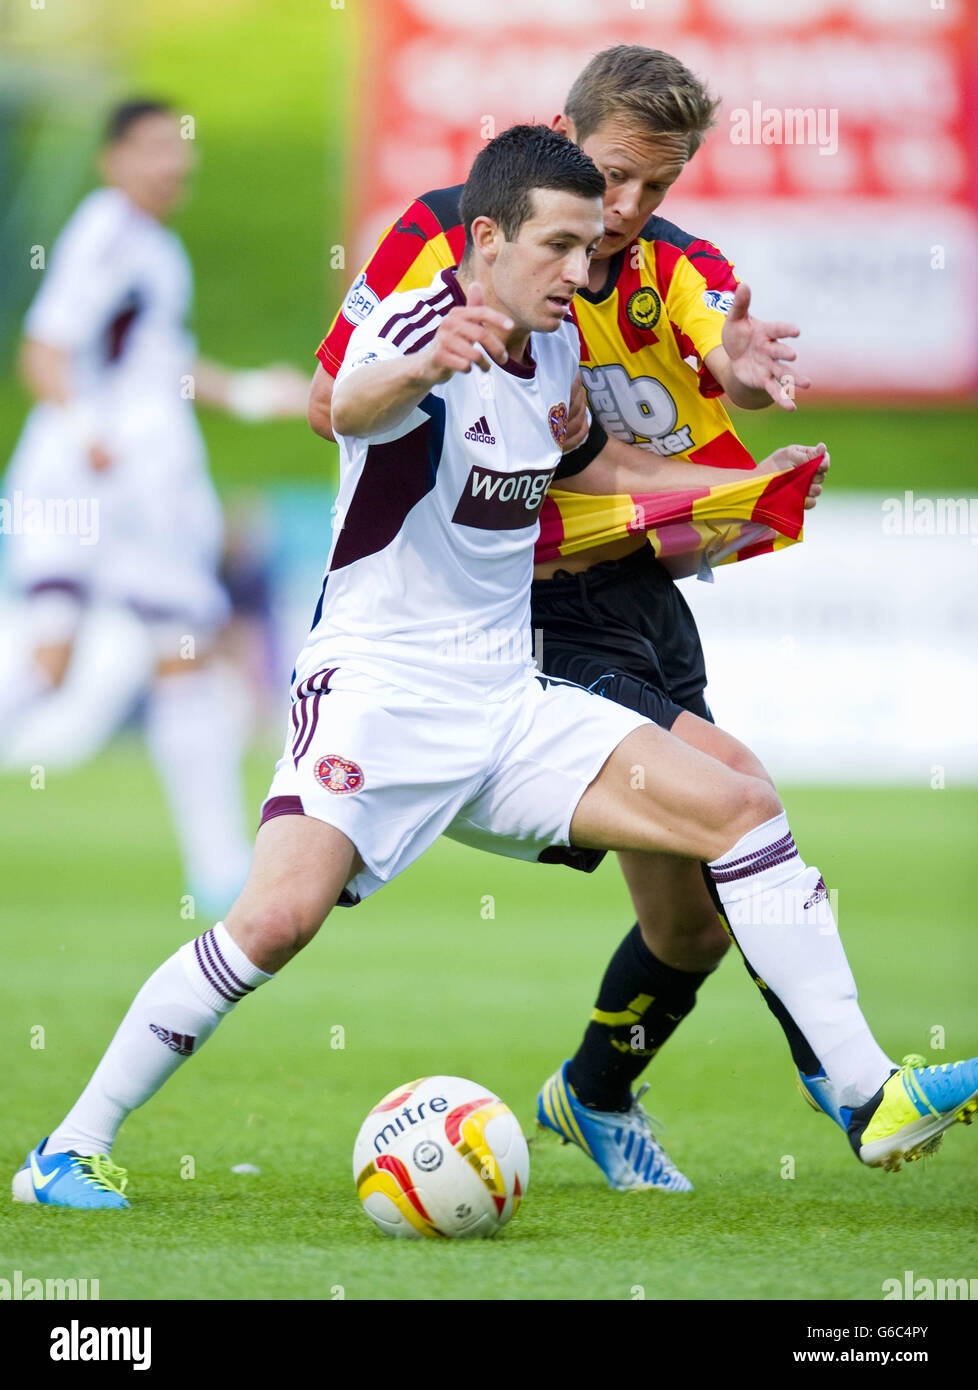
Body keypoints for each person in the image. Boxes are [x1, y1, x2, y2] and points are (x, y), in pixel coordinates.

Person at [12, 127, 976, 1211]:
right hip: (378, 691)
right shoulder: (423, 320)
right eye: (561, 246)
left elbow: (595, 463)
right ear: (487, 238)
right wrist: (420, 362)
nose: (583, 268)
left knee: (741, 806)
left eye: (590, 247)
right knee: (274, 920)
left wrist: (741, 483)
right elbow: (355, 404)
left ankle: (866, 1094)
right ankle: (66, 1148)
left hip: (509, 701)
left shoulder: (554, 343)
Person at [306, 46, 834, 1191]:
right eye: (613, 179)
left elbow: (705, 358)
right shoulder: (448, 231)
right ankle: (858, 1084)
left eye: (661, 183)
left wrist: (740, 397)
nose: (631, 212)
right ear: (562, 139)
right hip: (531, 606)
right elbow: (328, 400)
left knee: (691, 924)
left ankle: (591, 1094)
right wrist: (409, 372)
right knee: (739, 791)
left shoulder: (672, 264)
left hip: (641, 588)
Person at [0, 98, 309, 913]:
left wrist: (250, 393)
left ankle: (217, 873)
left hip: (113, 478)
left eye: (180, 150)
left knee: (103, 657)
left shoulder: (152, 248)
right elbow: (44, 351)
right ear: (113, 159)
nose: (173, 165)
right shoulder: (106, 232)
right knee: (167, 650)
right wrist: (87, 428)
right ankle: (220, 873)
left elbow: (158, 362)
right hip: (101, 480)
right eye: (152, 149)